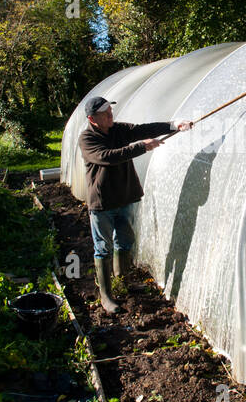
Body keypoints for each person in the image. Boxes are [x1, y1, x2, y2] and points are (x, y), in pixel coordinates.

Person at [79, 95, 192, 313]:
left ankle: (125, 284)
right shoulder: (87, 139)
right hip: (103, 203)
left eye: (110, 110)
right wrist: (142, 147)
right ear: (93, 119)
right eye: (105, 113)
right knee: (103, 248)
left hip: (126, 197)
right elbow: (107, 157)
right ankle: (106, 296)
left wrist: (172, 125)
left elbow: (142, 129)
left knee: (125, 241)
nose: (110, 114)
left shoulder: (118, 130)